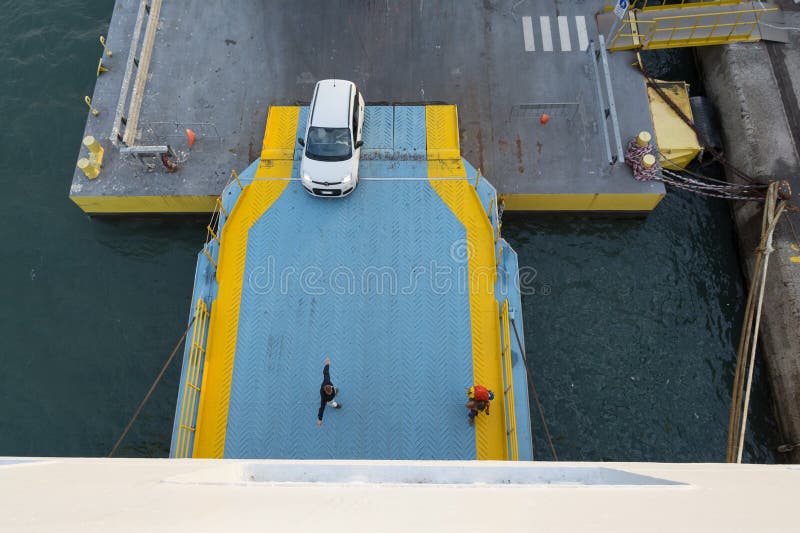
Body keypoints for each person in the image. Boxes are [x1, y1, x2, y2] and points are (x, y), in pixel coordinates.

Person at [317, 357, 341, 427]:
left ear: (330, 387)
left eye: (331, 390)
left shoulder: (327, 381)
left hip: (333, 390)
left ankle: (335, 391)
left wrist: (327, 364)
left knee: (335, 390)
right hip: (330, 400)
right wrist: (320, 419)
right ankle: (335, 406)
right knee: (332, 403)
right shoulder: (324, 398)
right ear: (325, 392)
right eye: (330, 393)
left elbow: (325, 372)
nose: (330, 392)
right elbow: (322, 408)